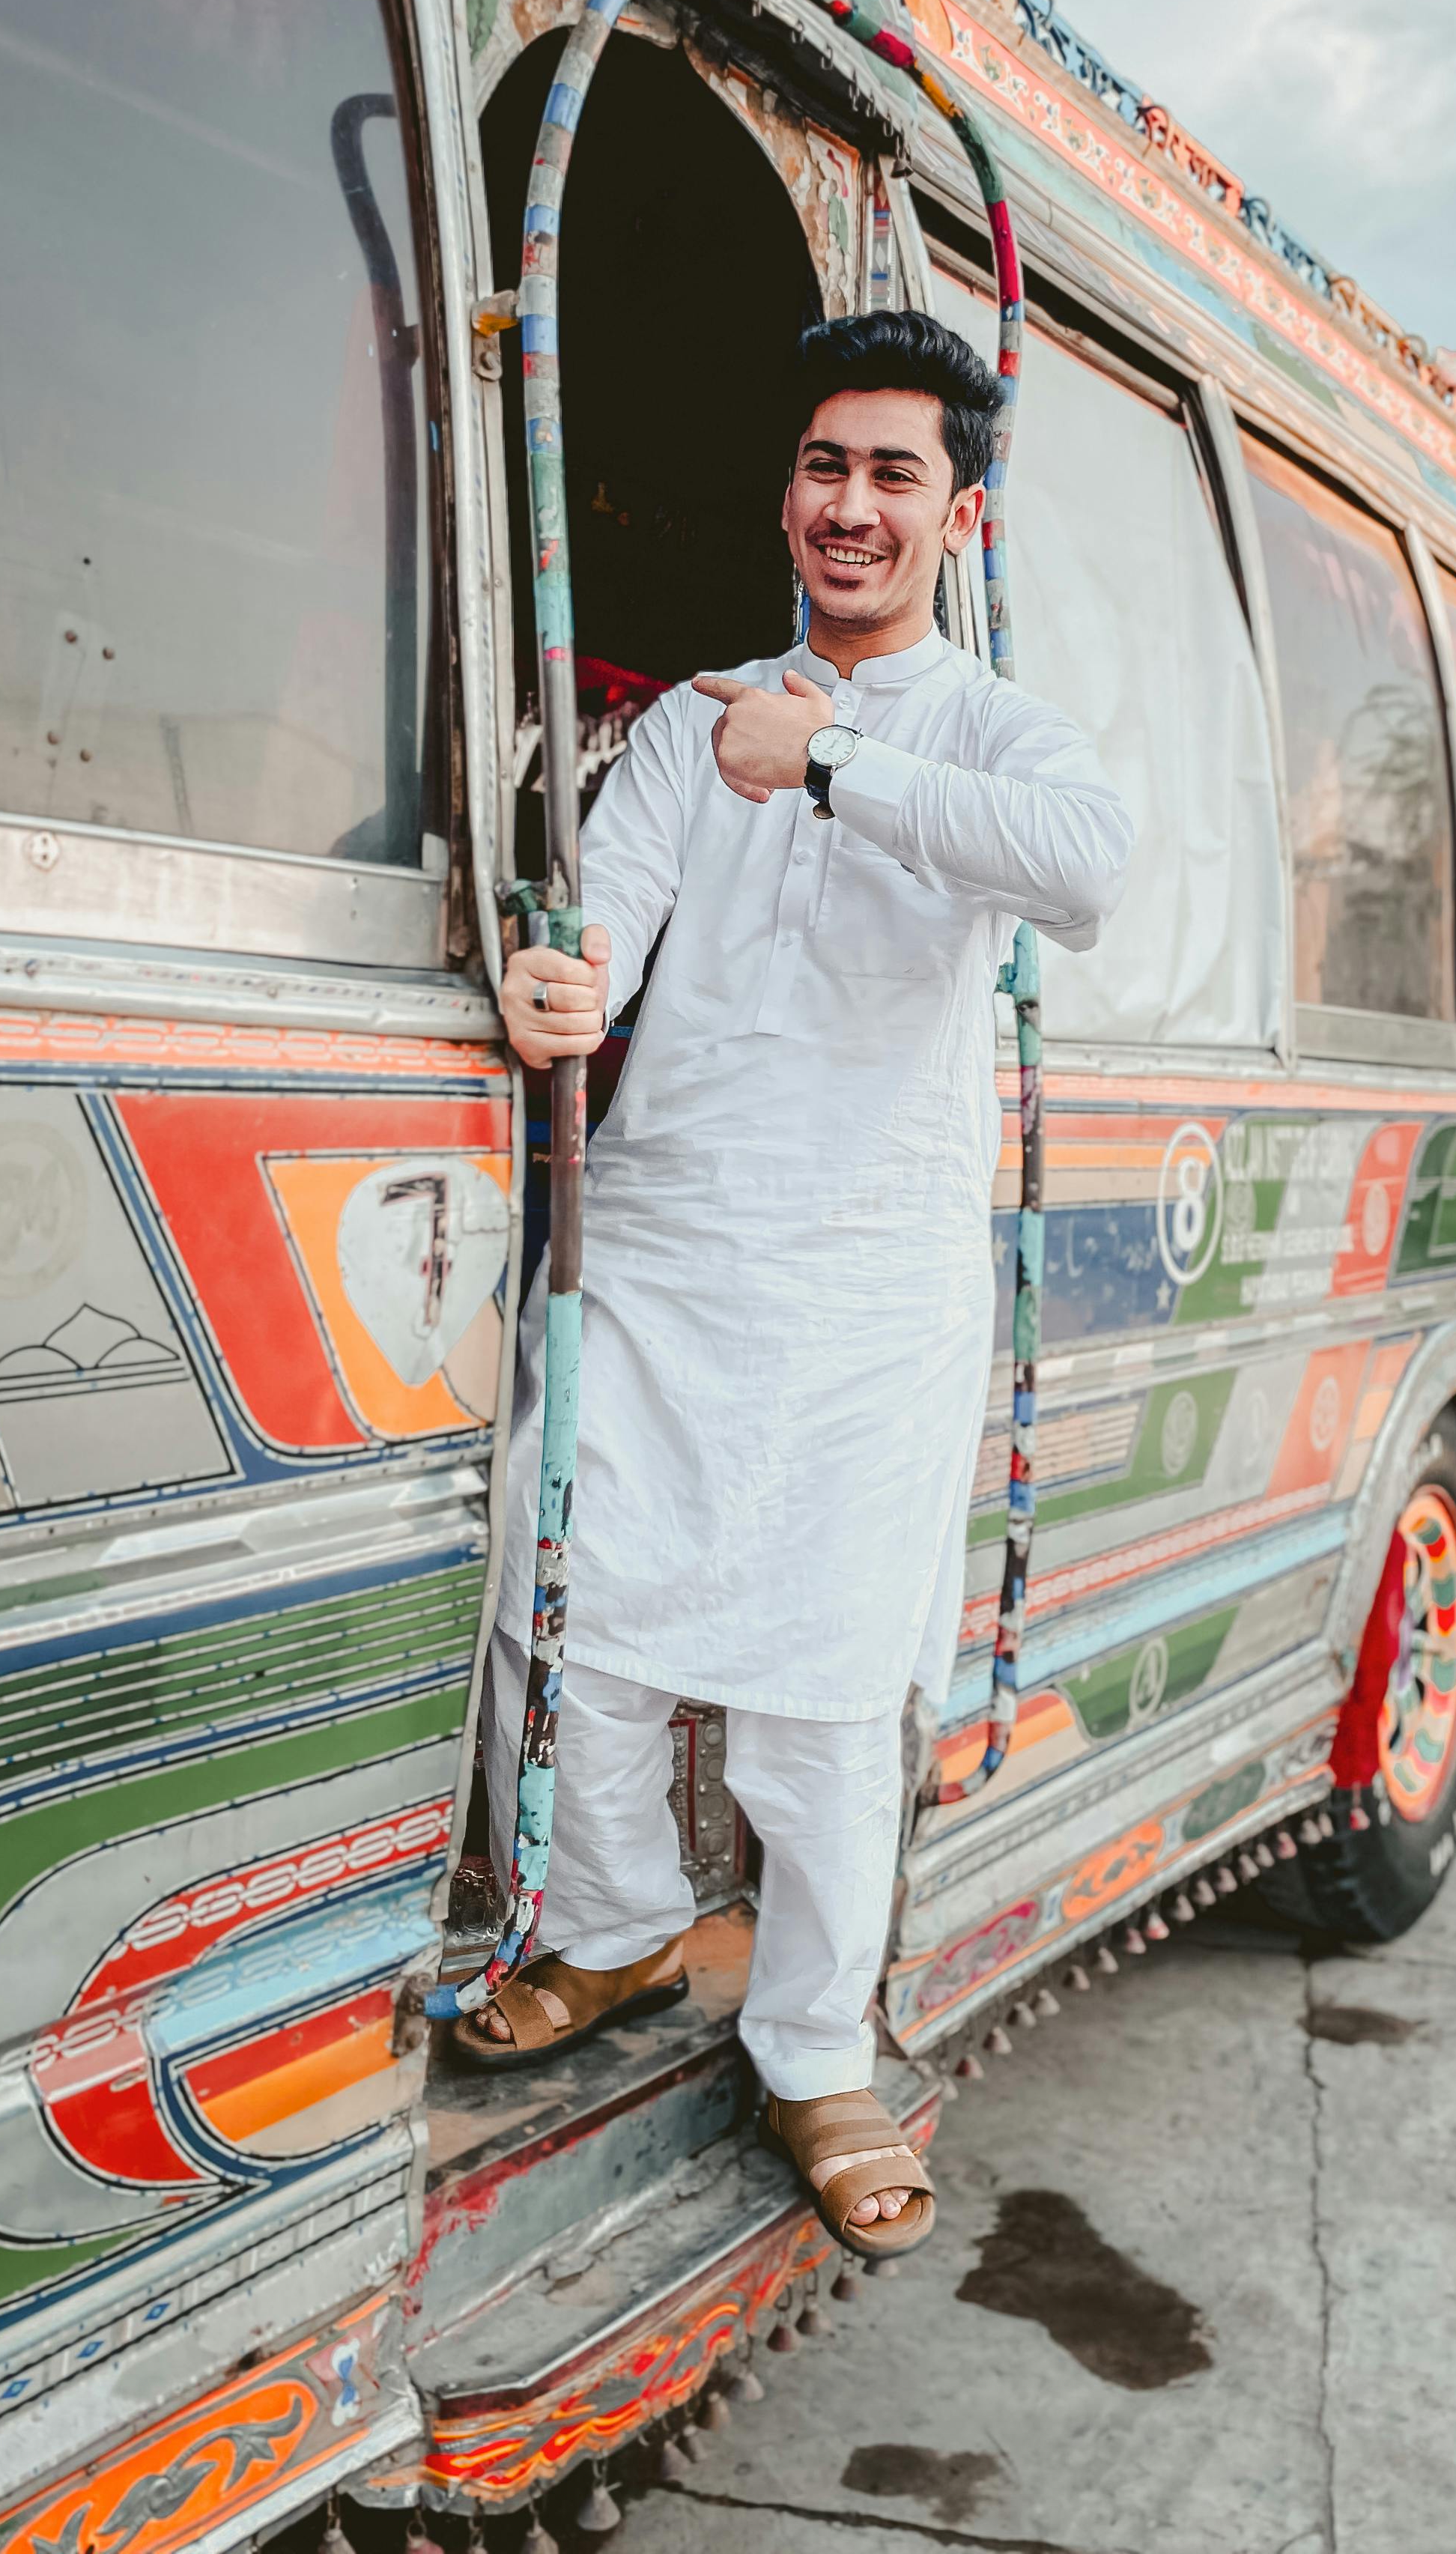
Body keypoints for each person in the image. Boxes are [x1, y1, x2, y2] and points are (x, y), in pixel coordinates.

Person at [454, 310, 1134, 2260]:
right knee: (586, 1615)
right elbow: (610, 918)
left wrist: (834, 758)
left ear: (959, 513)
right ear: (789, 495)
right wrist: (557, 990)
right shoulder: (687, 721)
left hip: (869, 1283)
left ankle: (818, 2049)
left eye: (892, 474)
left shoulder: (988, 734)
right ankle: (601, 1933)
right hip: (667, 1241)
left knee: (831, 1688)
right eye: (825, 468)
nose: (849, 506)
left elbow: (1085, 873)